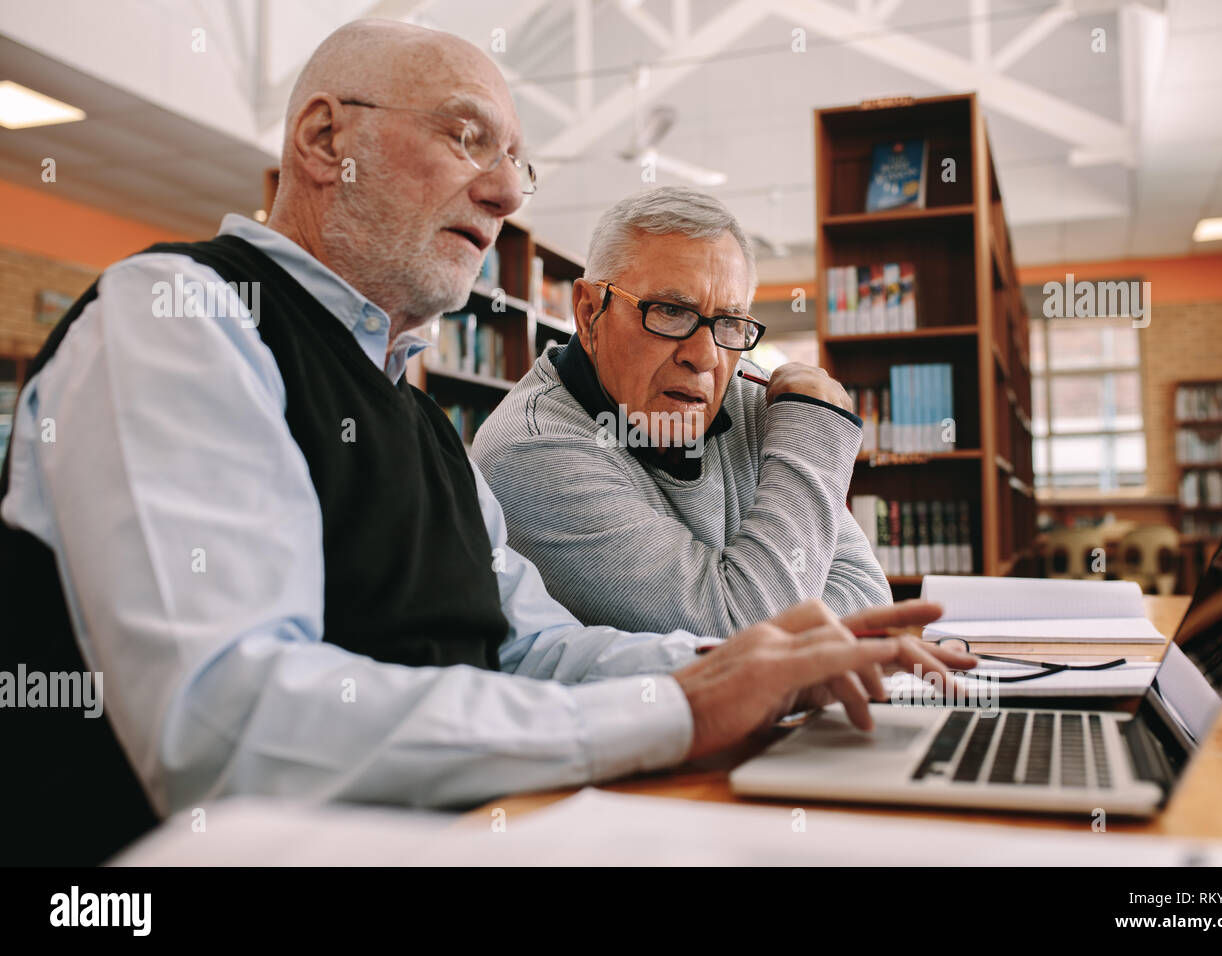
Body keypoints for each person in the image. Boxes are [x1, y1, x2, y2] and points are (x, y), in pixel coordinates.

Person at [0, 19, 971, 866]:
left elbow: (530, 647)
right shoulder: (181, 317)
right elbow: (228, 725)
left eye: (520, 160)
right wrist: (679, 707)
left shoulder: (421, 417)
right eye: (469, 138)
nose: (508, 191)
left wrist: (741, 661)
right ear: (324, 138)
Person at [473, 186, 890, 636]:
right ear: (589, 311)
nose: (706, 357)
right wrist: (814, 434)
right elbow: (747, 638)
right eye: (671, 311)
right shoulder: (533, 451)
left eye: (729, 322)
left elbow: (868, 598)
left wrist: (764, 597)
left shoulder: (750, 397)